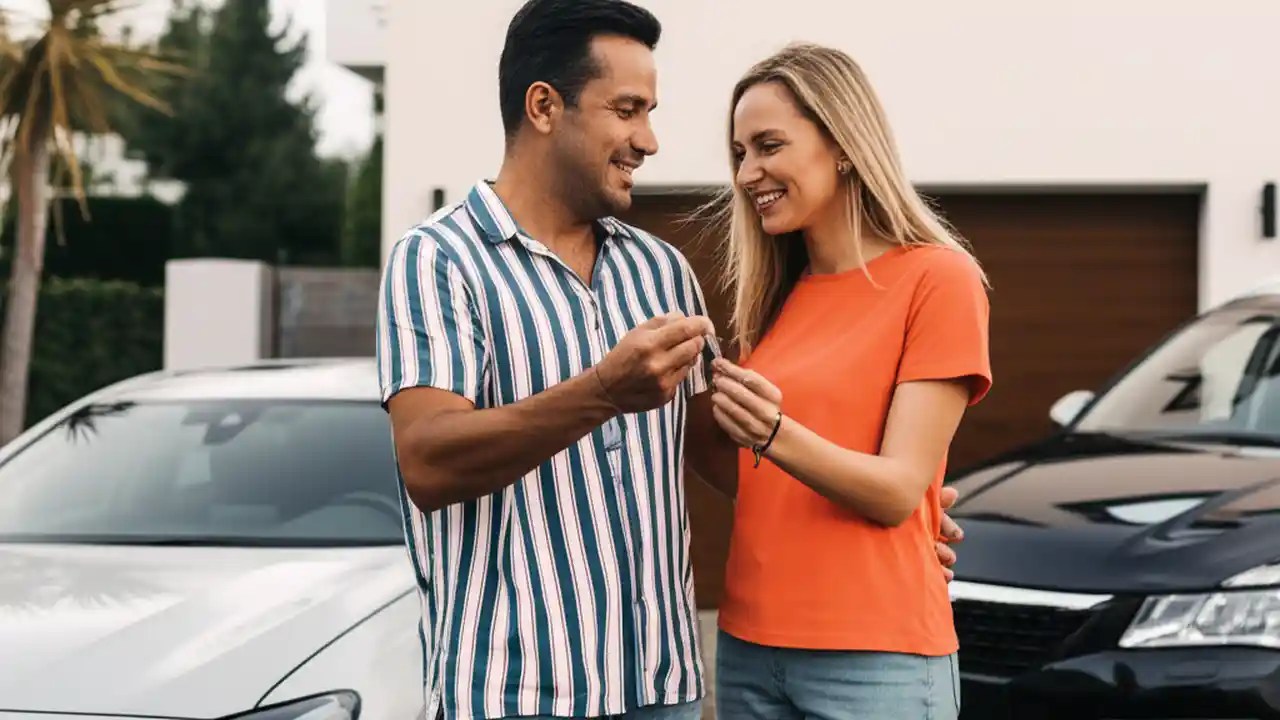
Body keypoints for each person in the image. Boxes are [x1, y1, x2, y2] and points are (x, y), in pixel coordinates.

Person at [376, 2, 964, 718]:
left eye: (650, 111)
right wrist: (601, 392)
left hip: (662, 691)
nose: (648, 140)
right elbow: (430, 463)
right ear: (543, 107)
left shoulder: (662, 275)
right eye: (627, 110)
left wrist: (891, 534)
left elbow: (728, 459)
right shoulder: (437, 260)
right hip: (512, 694)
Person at [702, 43, 992, 720]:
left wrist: (774, 433)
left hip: (875, 657)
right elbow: (754, 478)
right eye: (740, 153)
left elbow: (895, 491)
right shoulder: (771, 299)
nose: (748, 173)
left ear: (841, 143)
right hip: (748, 647)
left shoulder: (938, 280)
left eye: (769, 145)